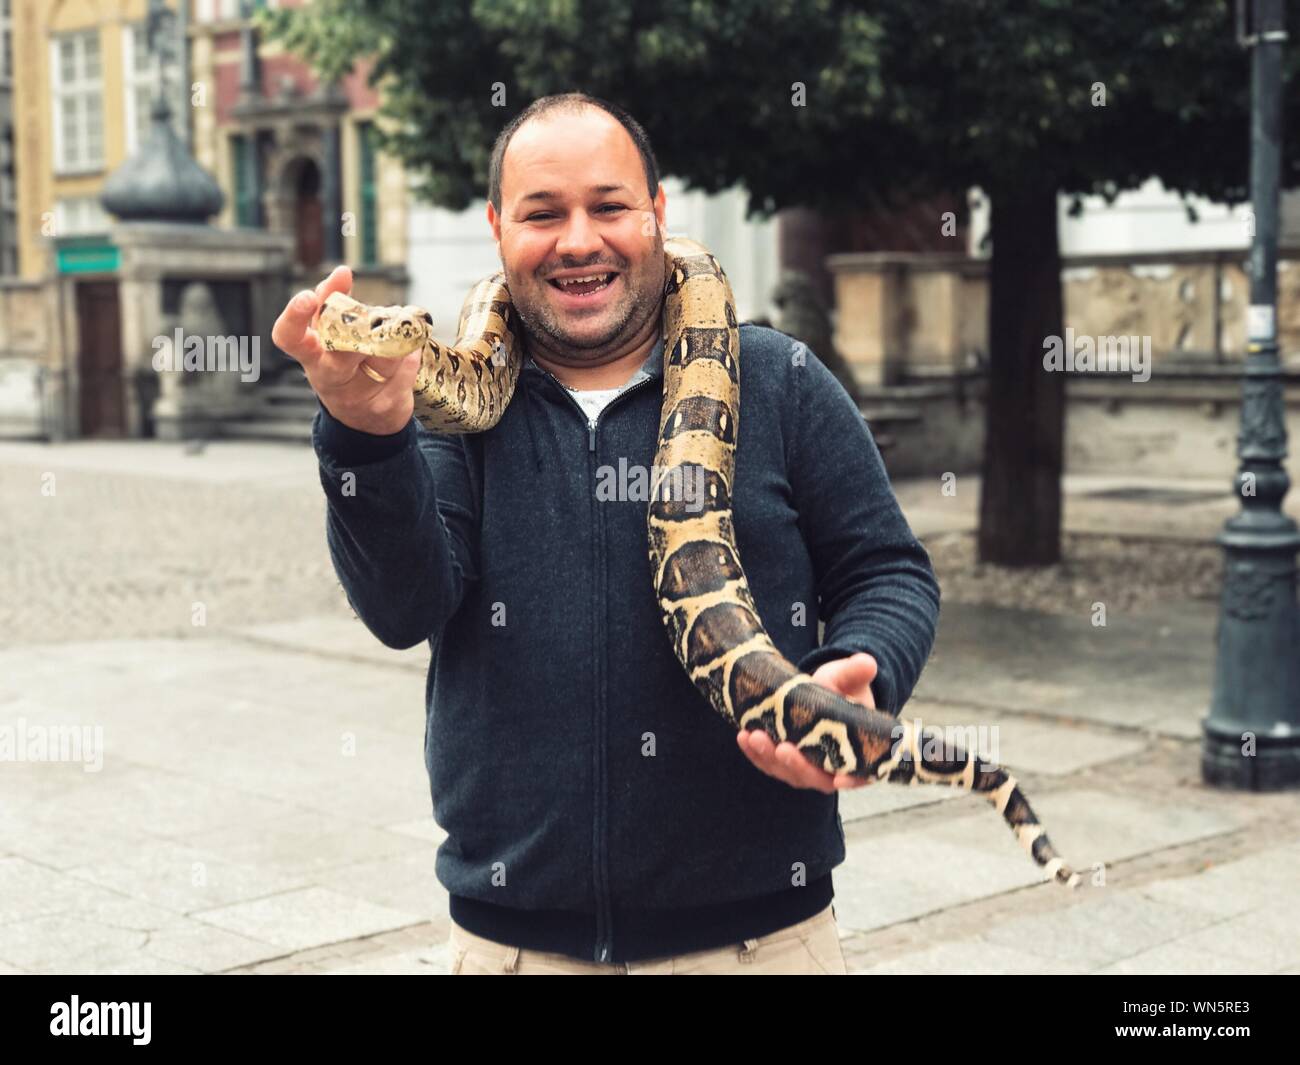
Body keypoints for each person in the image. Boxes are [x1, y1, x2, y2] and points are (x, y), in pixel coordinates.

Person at [271, 93, 940, 975]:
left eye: (610, 206)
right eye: (542, 214)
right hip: (514, 942)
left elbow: (888, 569)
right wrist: (365, 435)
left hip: (759, 942)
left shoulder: (781, 379)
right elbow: (404, 607)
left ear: (658, 217)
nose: (579, 240)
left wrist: (864, 661)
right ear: (498, 229)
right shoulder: (453, 412)